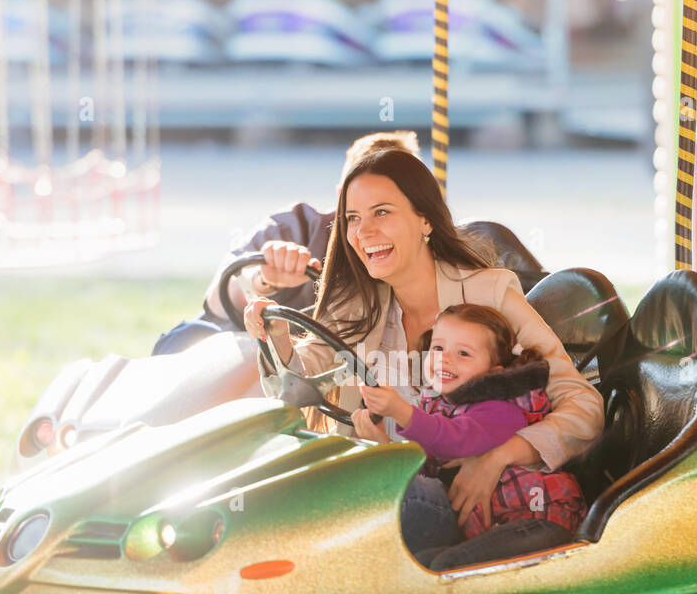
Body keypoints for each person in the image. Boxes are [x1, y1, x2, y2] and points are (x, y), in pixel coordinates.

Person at [243, 148, 604, 564]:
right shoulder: (357, 307)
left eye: (382, 212)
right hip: (400, 488)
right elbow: (303, 378)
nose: (363, 232)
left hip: (484, 505)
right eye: (353, 219)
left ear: (425, 220)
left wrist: (497, 458)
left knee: (371, 497)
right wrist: (276, 332)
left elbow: (584, 406)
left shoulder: (488, 295)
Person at [353, 303, 587, 570]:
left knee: (447, 566)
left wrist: (400, 411)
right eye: (438, 348)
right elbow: (425, 467)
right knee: (422, 565)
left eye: (463, 353)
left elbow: (455, 440)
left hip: (539, 523)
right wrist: (381, 440)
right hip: (492, 529)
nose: (444, 359)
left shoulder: (502, 407)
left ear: (494, 371)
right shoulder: (439, 403)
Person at [151, 131, 421, 355]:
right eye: (356, 203)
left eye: (384, 209)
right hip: (242, 352)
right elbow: (218, 302)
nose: (367, 227)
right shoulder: (293, 228)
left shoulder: (423, 263)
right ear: (340, 195)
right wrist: (263, 279)